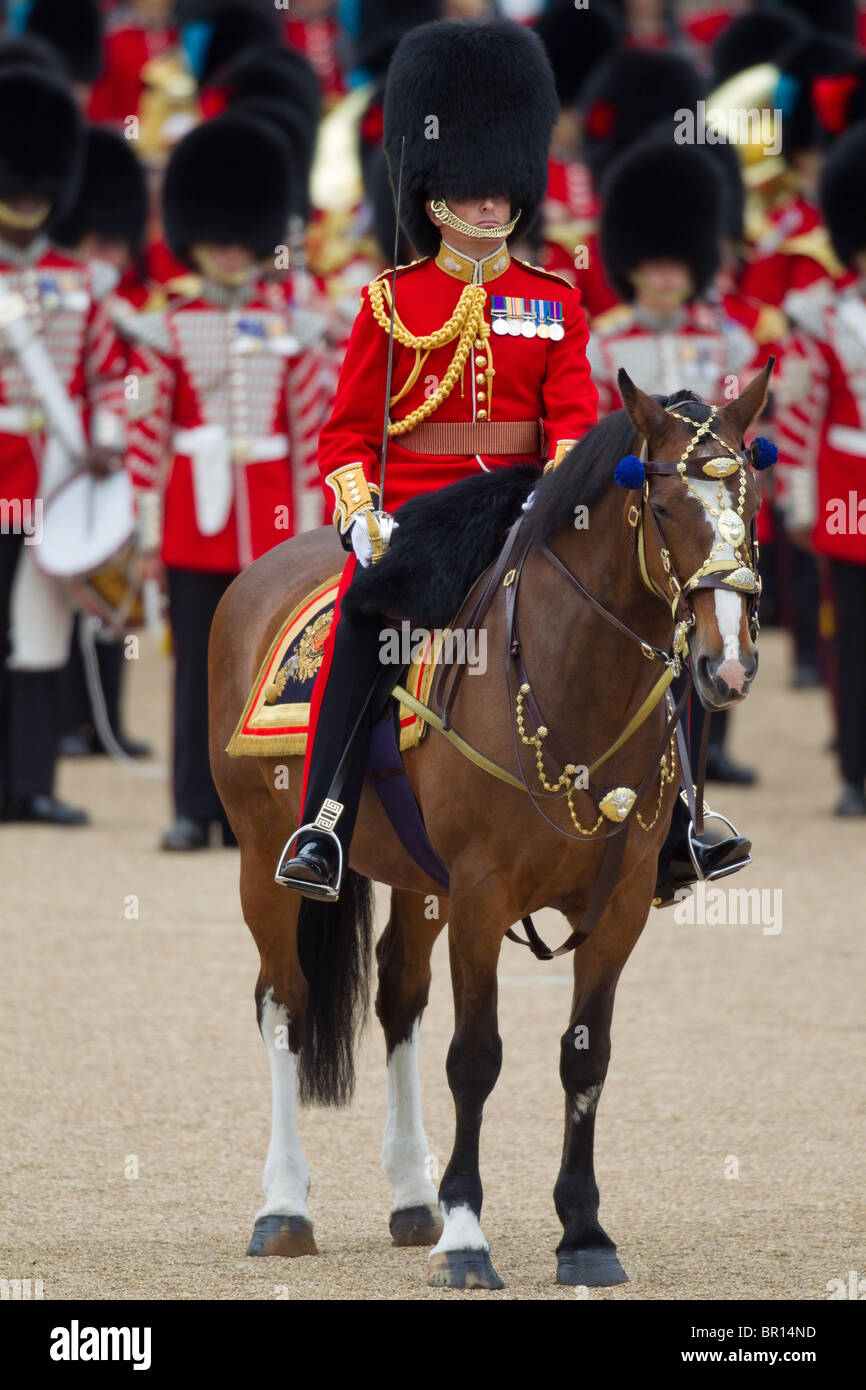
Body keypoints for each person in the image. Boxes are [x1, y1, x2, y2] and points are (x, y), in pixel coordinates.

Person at [276, 16, 749, 905]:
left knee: (655, 620)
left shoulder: (553, 301)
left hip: (532, 507)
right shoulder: (388, 302)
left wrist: (557, 500)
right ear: (433, 190)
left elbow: (574, 416)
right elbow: (345, 434)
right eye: (474, 188)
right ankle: (326, 821)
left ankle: (683, 816)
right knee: (361, 629)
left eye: (503, 189)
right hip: (417, 516)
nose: (492, 204)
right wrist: (359, 509)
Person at [122, 110, 328, 849]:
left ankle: (265, 814)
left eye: (242, 239)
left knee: (274, 675)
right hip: (191, 523)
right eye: (217, 238)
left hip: (275, 523)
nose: (231, 253)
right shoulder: (165, 328)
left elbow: (312, 435)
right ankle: (192, 808)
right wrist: (146, 537)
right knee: (196, 679)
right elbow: (144, 439)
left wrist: (315, 534)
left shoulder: (293, 328)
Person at [590, 136, 761, 787]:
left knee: (723, 611)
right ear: (631, 266)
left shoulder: (726, 341)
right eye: (653, 265)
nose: (665, 278)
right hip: (639, 514)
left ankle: (709, 743)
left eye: (675, 265)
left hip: (707, 509)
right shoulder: (605, 343)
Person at [0, 66, 129, 824]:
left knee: (42, 630)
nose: (25, 201)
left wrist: (107, 439)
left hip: (55, 474)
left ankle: (31, 782)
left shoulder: (79, 280)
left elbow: (112, 375)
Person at [775, 122, 866, 816]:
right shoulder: (820, 316)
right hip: (848, 489)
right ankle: (856, 767)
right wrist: (800, 502)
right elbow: (801, 420)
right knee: (853, 637)